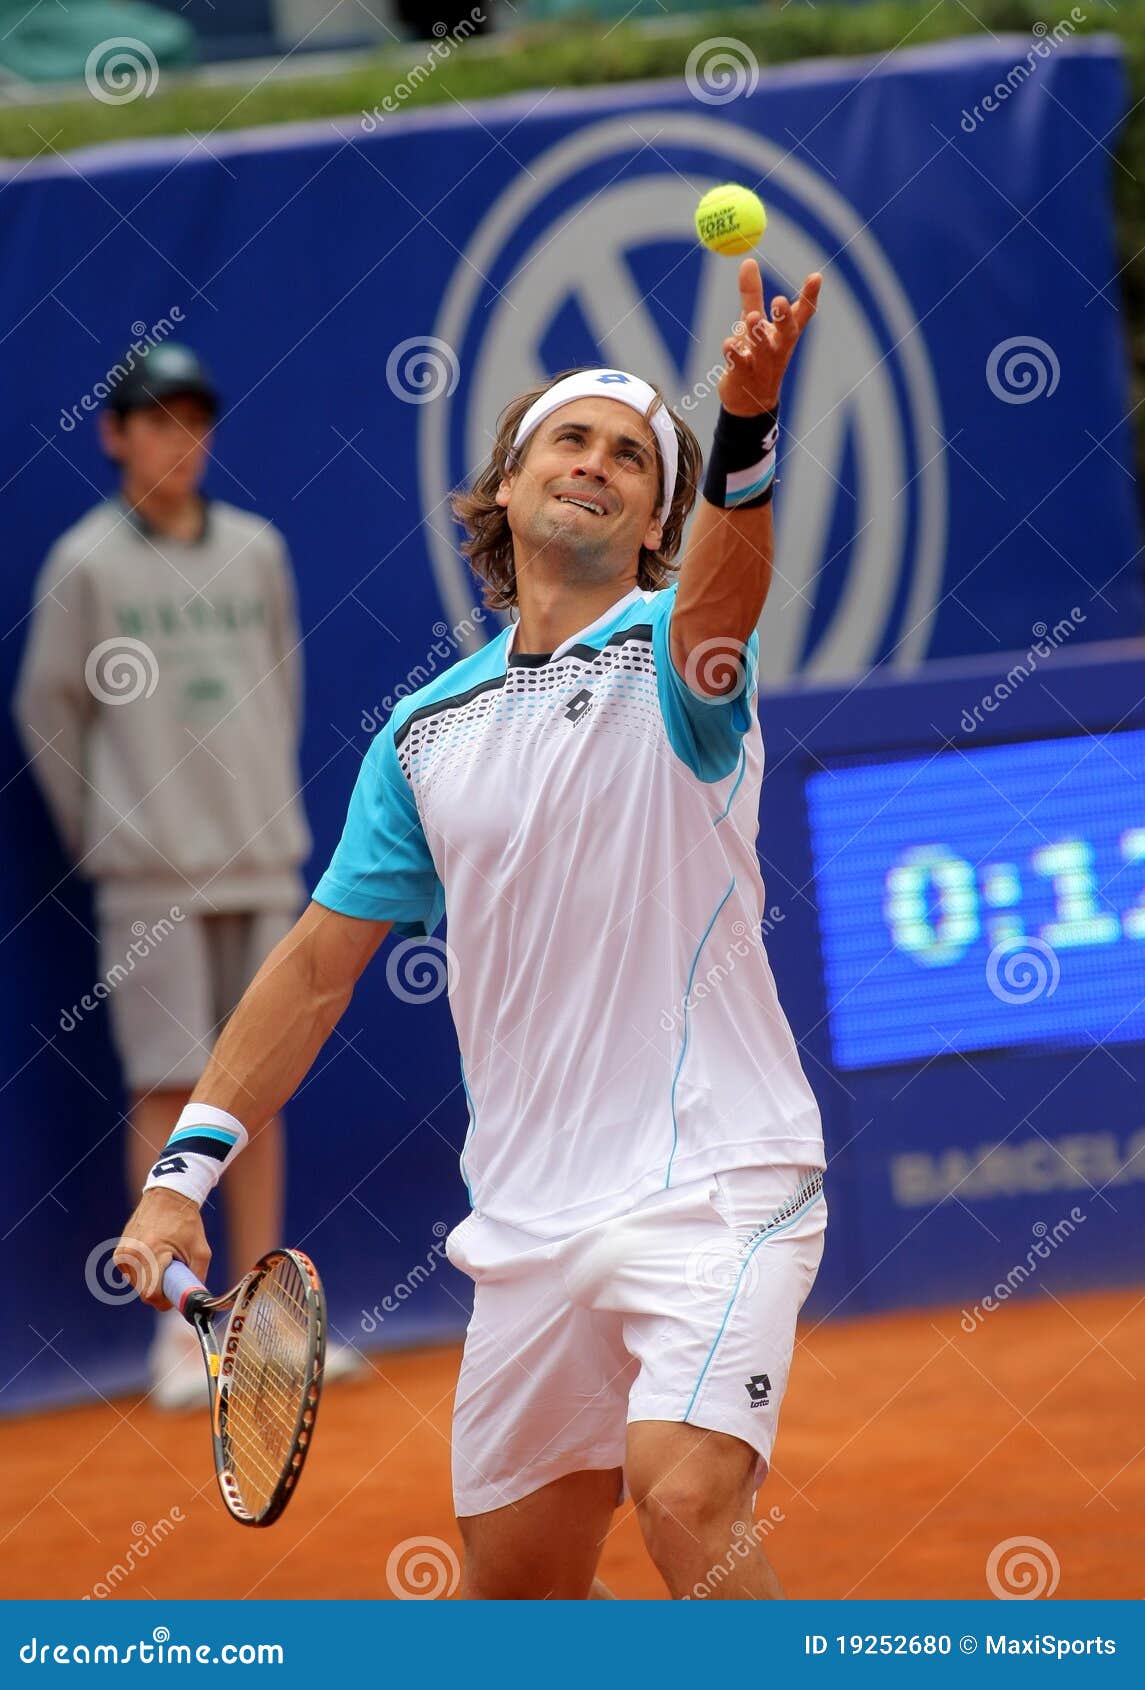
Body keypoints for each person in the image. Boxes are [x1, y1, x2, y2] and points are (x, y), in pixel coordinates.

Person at [114, 261, 825, 1596]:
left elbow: (732, 587)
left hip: (717, 1180)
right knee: (518, 1601)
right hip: (530, 1221)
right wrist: (182, 1171)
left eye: (632, 457)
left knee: (683, 1492)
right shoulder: (424, 731)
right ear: (505, 484)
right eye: (572, 437)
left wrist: (742, 429)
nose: (599, 463)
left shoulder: (683, 656)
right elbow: (318, 966)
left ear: (656, 517)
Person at [16, 343, 328, 1408]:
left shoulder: (257, 551)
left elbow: (281, 686)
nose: (177, 441)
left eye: (193, 421)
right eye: (155, 421)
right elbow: (48, 711)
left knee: (256, 1091)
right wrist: (111, 832)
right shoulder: (84, 564)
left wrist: (256, 804)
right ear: (115, 436)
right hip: (149, 875)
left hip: (260, 851)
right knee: (166, 1088)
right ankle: (180, 1332)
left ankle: (269, 1329)